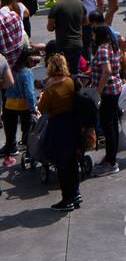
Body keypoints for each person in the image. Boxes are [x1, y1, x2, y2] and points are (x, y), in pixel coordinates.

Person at [39, 52, 91, 212]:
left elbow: (42, 109)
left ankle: (67, 198)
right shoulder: (71, 81)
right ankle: (75, 193)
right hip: (74, 124)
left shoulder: (50, 88)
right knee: (73, 161)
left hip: (58, 127)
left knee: (62, 165)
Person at [92, 23, 123, 173]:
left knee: (107, 125)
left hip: (108, 92)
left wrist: (97, 91)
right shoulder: (114, 47)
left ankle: (111, 162)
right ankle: (111, 156)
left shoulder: (103, 49)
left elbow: (107, 71)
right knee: (113, 125)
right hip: (116, 89)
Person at [1, 46, 37, 167]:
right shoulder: (27, 72)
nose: (35, 63)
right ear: (28, 60)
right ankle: (28, 152)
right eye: (34, 61)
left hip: (9, 104)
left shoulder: (12, 68)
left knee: (10, 132)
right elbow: (30, 93)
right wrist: (33, 108)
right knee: (27, 129)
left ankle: (8, 157)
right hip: (23, 105)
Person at [46, 0, 87, 76]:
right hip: (78, 43)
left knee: (63, 72)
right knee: (75, 71)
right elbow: (86, 22)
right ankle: (75, 89)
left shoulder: (56, 6)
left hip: (63, 44)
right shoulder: (80, 3)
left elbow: (50, 27)